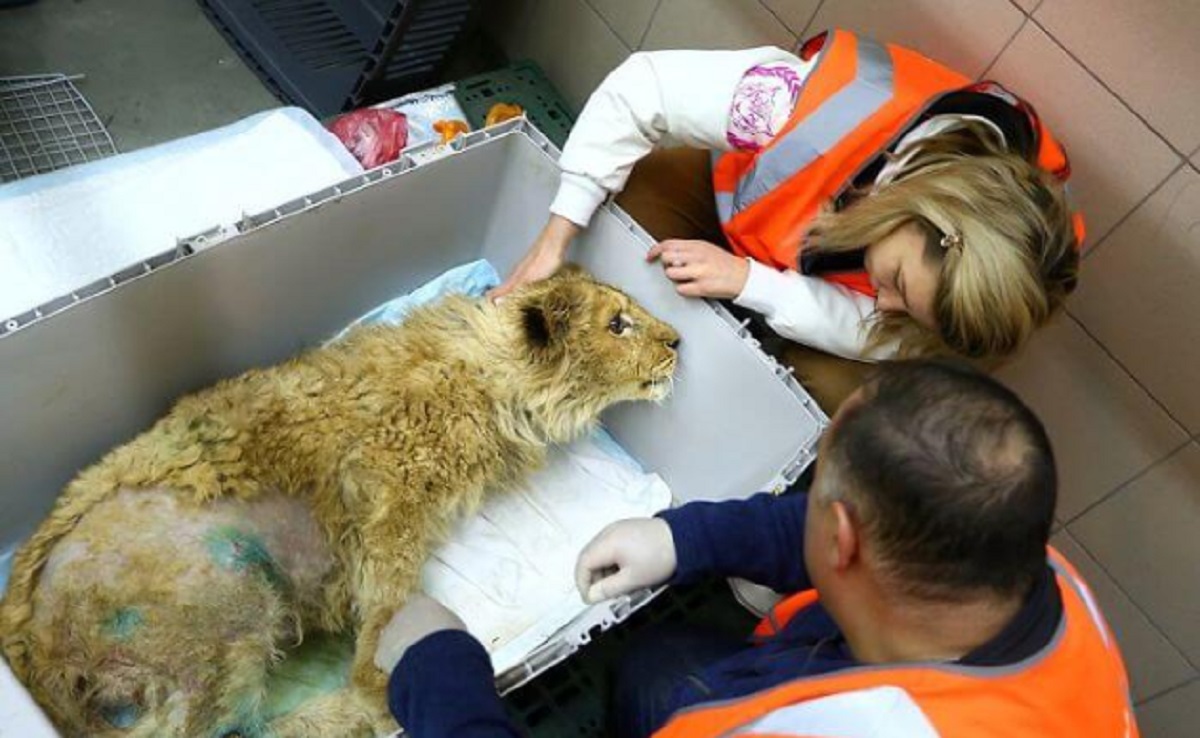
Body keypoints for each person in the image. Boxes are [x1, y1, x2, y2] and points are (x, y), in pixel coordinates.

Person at [375, 360, 1138, 737]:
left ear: (841, 542)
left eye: (819, 496)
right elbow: (835, 527)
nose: (800, 511)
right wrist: (684, 537)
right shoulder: (1024, 568)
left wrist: (437, 674)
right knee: (657, 666)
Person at [488, 30, 1083, 411]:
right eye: (898, 283)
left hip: (786, 262)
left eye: (909, 304)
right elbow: (644, 89)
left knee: (836, 400)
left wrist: (752, 285)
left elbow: (883, 334)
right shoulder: (799, 104)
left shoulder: (1016, 264)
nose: (889, 304)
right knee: (623, 229)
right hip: (736, 200)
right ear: (915, 212)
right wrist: (555, 235)